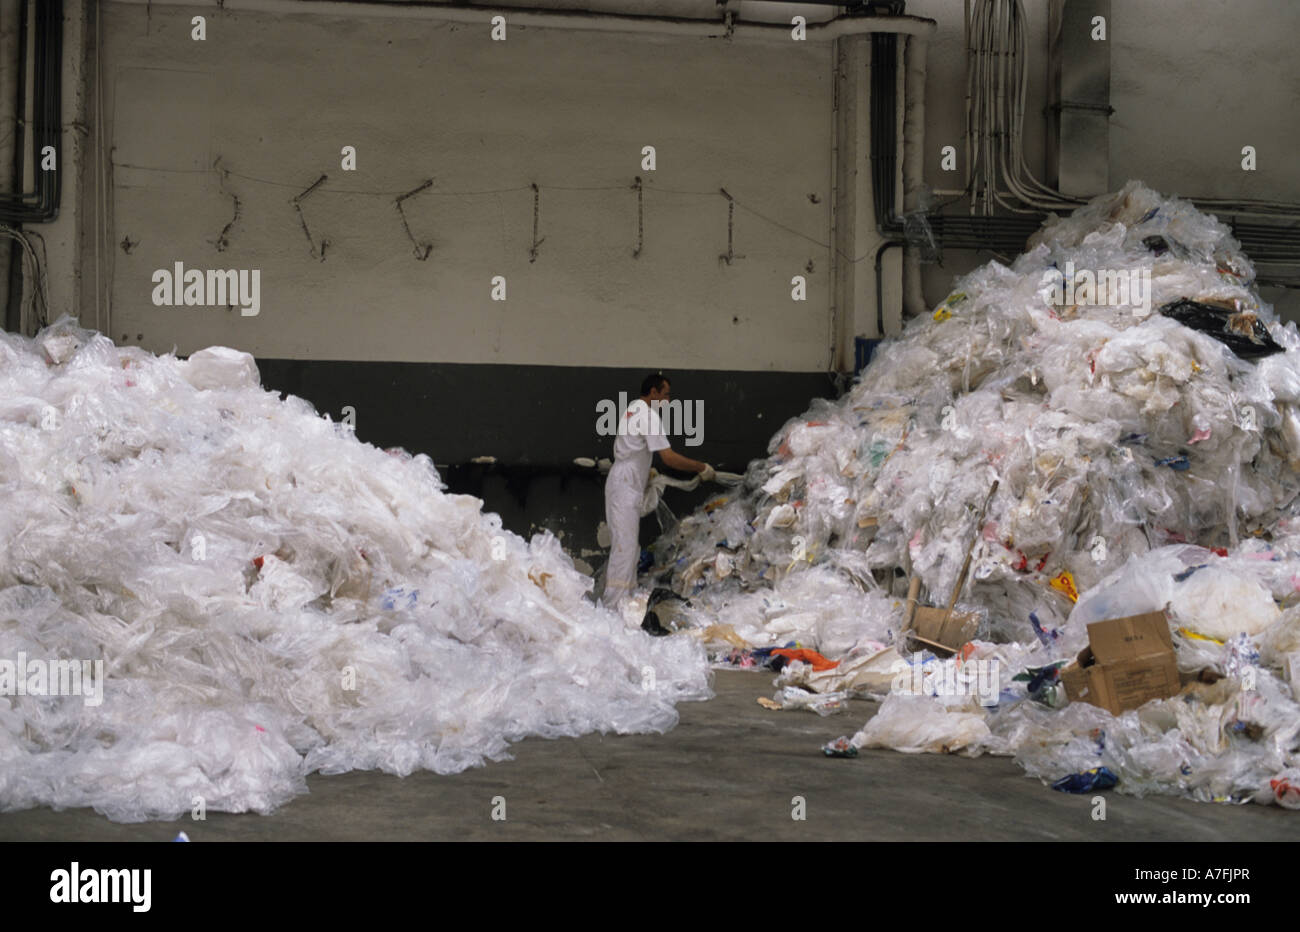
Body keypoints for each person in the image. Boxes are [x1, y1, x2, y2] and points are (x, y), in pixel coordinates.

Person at [601, 373, 714, 618]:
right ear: (653, 392)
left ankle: (623, 607)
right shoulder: (648, 416)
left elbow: (634, 446)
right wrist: (700, 467)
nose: (667, 400)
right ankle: (612, 609)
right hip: (625, 484)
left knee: (629, 547)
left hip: (624, 480)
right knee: (624, 548)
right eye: (665, 395)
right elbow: (669, 457)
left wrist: (645, 470)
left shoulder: (633, 408)